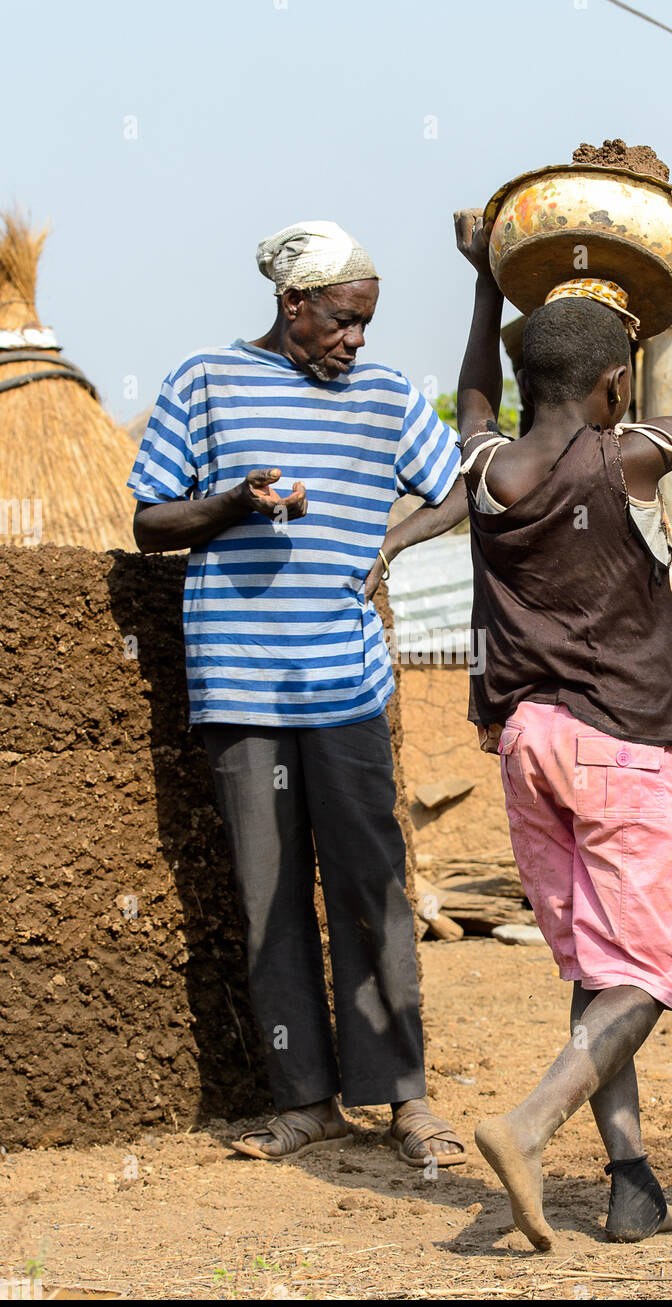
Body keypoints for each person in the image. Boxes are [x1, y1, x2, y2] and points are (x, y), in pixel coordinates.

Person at [453, 182, 672, 1247]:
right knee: (640, 974)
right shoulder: (629, 453)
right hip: (621, 745)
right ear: (613, 385)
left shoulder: (489, 470)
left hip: (529, 746)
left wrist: (476, 285)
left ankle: (629, 1176)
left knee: (599, 968)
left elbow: (471, 400)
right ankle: (529, 1122)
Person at [129, 219, 467, 1167]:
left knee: (374, 887)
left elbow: (461, 488)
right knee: (269, 900)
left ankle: (402, 1099)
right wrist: (236, 502)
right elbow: (151, 519)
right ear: (292, 305)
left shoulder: (388, 395)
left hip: (345, 682)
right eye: (342, 323)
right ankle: (305, 1100)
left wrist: (391, 545)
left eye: (366, 324)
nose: (356, 341)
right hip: (237, 685)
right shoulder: (204, 380)